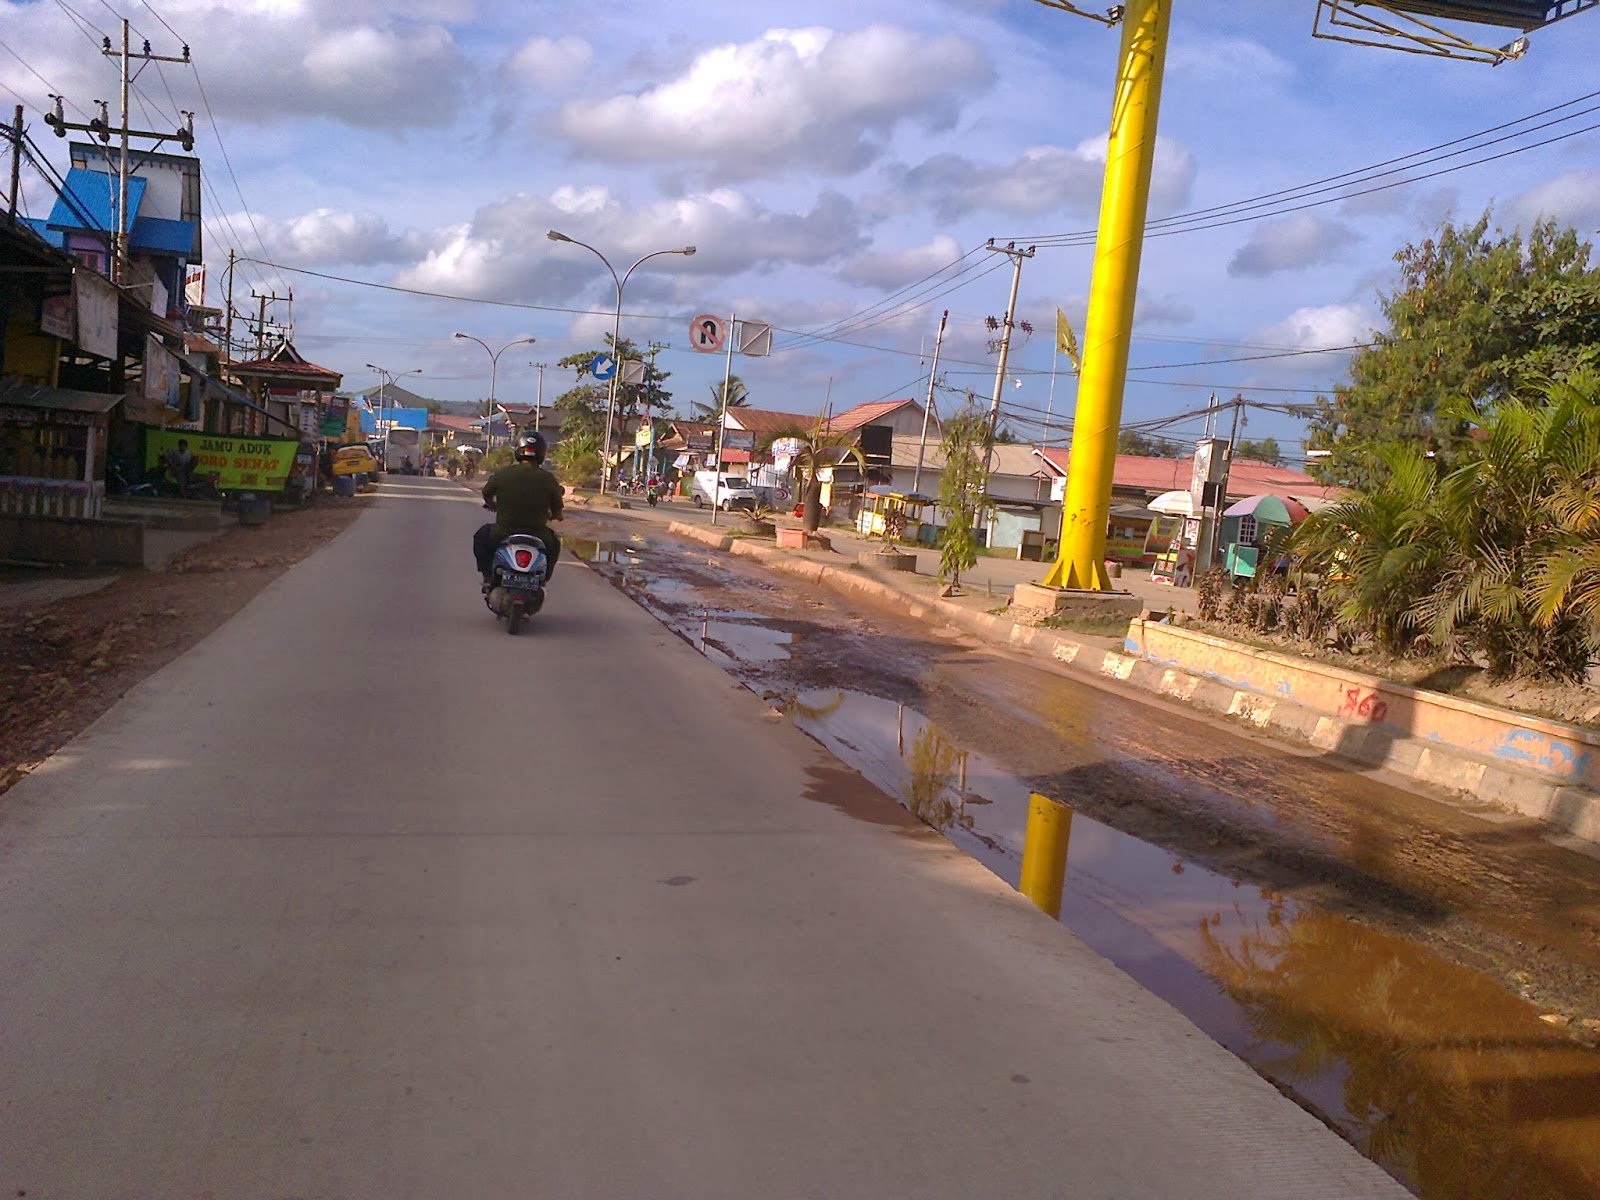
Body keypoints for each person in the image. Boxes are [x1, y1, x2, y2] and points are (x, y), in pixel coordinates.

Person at [473, 432, 564, 589]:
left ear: (518, 451)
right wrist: (556, 516)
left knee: (481, 538)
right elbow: (557, 509)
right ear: (542, 453)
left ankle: (487, 575)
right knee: (554, 545)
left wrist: (493, 505)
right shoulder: (549, 479)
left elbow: (486, 493)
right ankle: (544, 579)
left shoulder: (504, 474)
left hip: (503, 531)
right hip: (538, 534)